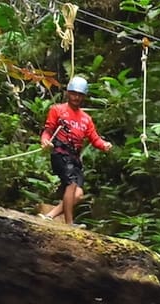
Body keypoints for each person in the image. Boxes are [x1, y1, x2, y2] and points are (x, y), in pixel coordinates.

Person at [40, 76, 112, 227]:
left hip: (74, 159)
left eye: (80, 95)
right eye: (73, 94)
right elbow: (48, 130)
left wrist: (104, 145)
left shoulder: (86, 119)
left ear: (84, 97)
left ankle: (50, 215)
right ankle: (69, 223)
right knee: (71, 184)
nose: (76, 97)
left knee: (78, 194)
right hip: (60, 153)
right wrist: (45, 140)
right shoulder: (58, 110)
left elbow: (94, 138)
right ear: (68, 93)